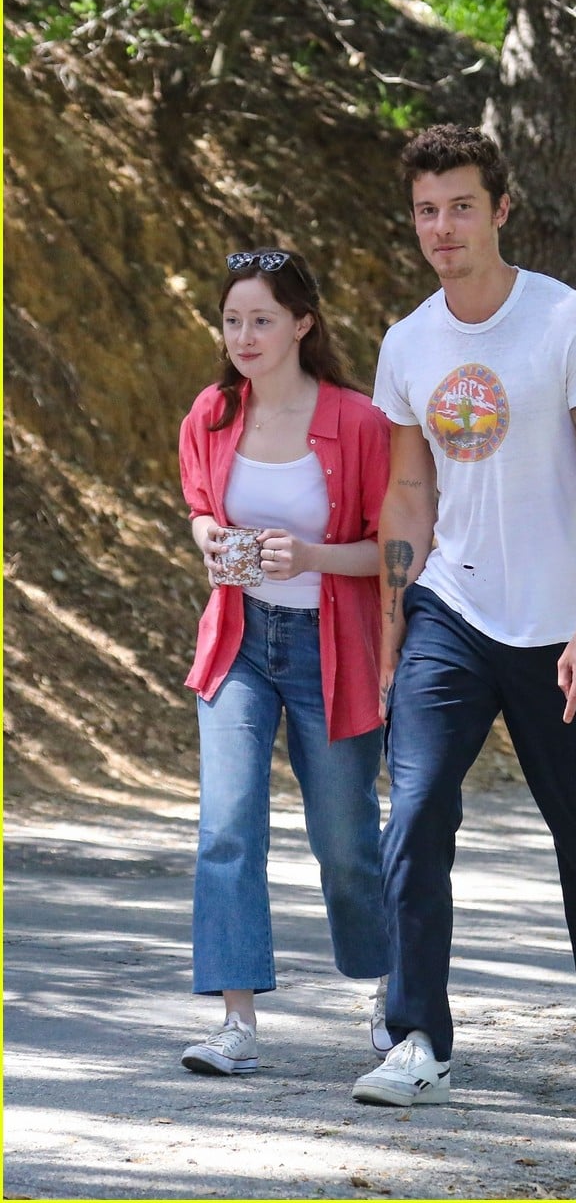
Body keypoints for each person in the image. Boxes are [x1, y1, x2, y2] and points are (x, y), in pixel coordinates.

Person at [352, 125, 576, 1108]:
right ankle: (415, 1032)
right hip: (452, 604)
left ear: (500, 208)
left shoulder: (570, 326)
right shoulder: (408, 342)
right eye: (424, 210)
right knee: (416, 807)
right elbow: (407, 488)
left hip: (556, 618)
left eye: (458, 205)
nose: (440, 227)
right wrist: (393, 621)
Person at [178, 247, 393, 1075]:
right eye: (232, 320)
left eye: (261, 319)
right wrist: (213, 543)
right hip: (238, 641)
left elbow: (398, 548)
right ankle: (236, 1025)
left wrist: (311, 557)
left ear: (302, 324)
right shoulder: (213, 412)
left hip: (330, 649)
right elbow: (201, 507)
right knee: (226, 828)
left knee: (344, 842)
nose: (244, 335)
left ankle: (388, 993)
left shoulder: (359, 422)